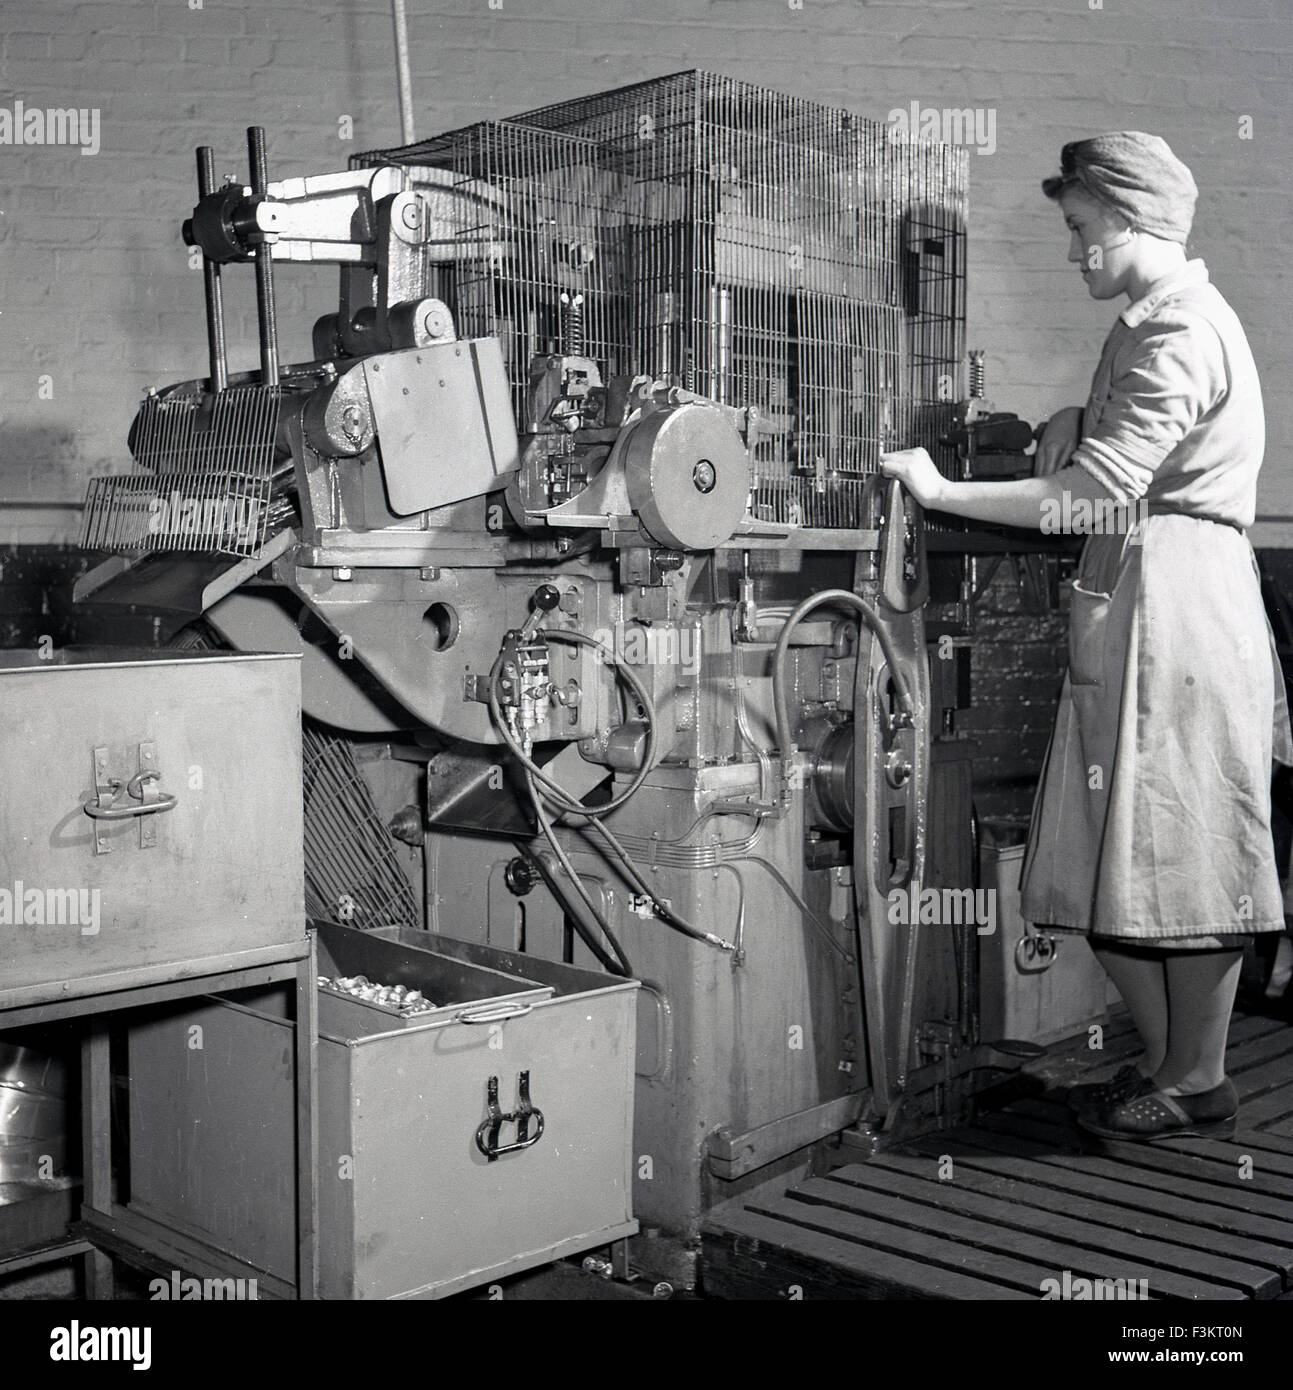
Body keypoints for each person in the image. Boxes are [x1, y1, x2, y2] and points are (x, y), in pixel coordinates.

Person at [881, 131, 1292, 1141]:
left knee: (1184, 862)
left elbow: (1100, 491)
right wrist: (1075, 408)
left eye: (1080, 229)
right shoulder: (1148, 327)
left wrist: (945, 489)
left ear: (1134, 214)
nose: (1074, 252)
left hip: (1180, 608)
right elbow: (1133, 454)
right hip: (1138, 597)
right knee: (1111, 860)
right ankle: (1166, 1064)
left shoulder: (1180, 332)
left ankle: (1198, 1075)